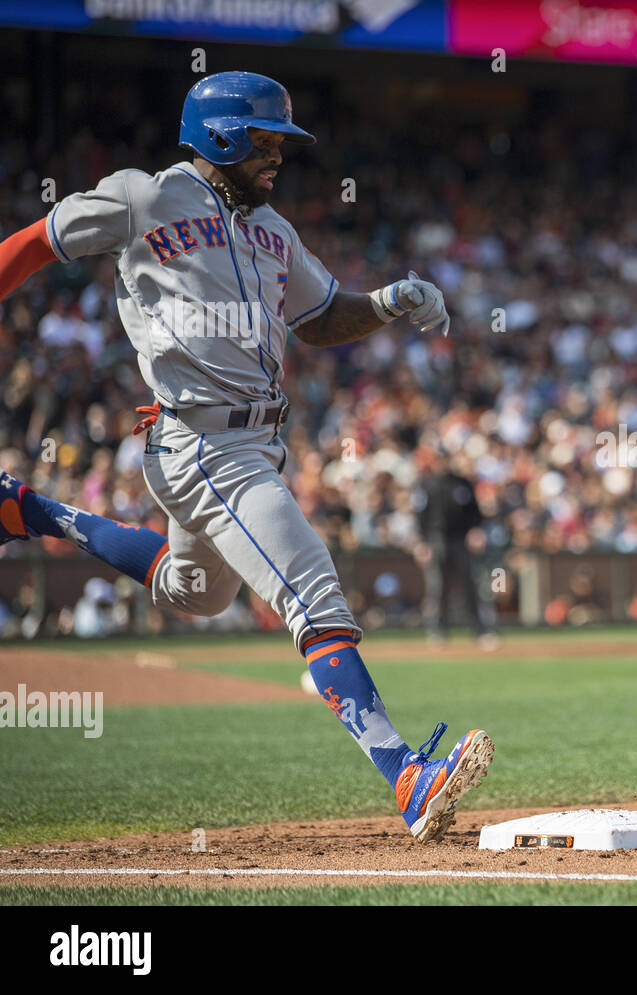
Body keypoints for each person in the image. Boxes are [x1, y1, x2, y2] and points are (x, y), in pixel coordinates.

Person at [0, 71, 492, 843]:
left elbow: (320, 318)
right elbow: (34, 244)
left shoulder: (273, 229)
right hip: (204, 442)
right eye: (266, 140)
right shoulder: (142, 196)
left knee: (193, 592)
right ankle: (406, 773)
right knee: (314, 592)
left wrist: (388, 302)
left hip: (250, 441)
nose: (279, 156)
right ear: (222, 134)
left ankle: (28, 510)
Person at [412, 445, 498, 648]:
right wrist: (421, 542)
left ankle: (480, 630)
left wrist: (476, 531)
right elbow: (420, 516)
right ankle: (438, 630)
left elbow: (475, 513)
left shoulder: (461, 483)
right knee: (438, 587)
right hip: (436, 539)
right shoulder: (426, 484)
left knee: (470, 585)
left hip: (460, 540)